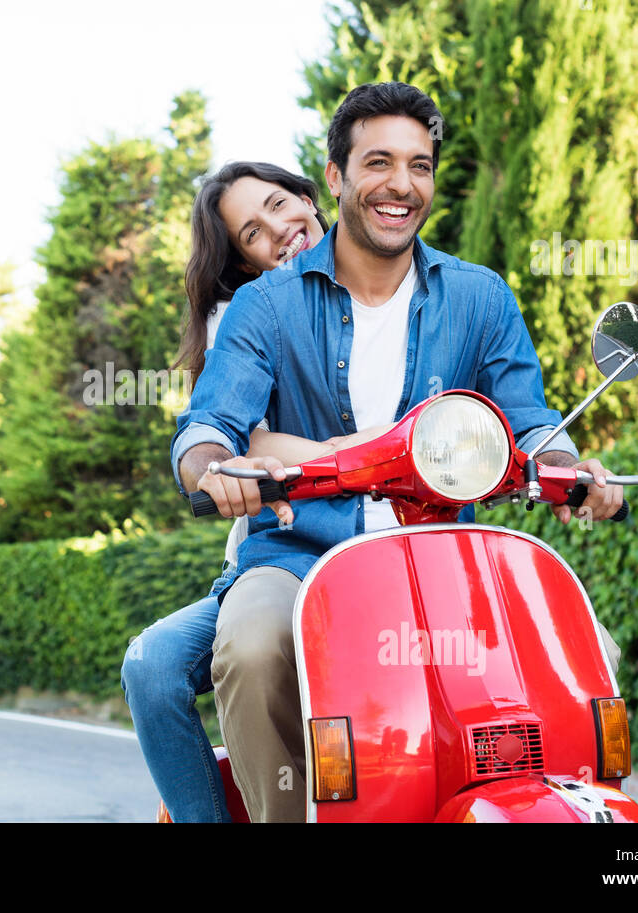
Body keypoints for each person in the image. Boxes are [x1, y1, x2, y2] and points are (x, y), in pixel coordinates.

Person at [172, 81, 624, 823]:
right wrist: (211, 467)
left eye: (419, 165)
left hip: (446, 558)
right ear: (336, 177)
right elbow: (210, 422)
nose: (400, 185)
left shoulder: (480, 297)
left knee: (586, 646)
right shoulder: (267, 305)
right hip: (298, 556)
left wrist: (572, 470)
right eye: (378, 162)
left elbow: (532, 420)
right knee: (252, 647)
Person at [121, 162, 389, 823]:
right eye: (253, 233)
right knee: (153, 664)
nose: (280, 230)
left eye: (279, 205)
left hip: (390, 553)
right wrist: (362, 452)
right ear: (246, 266)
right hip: (282, 558)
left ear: (309, 195)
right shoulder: (252, 323)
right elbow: (238, 440)